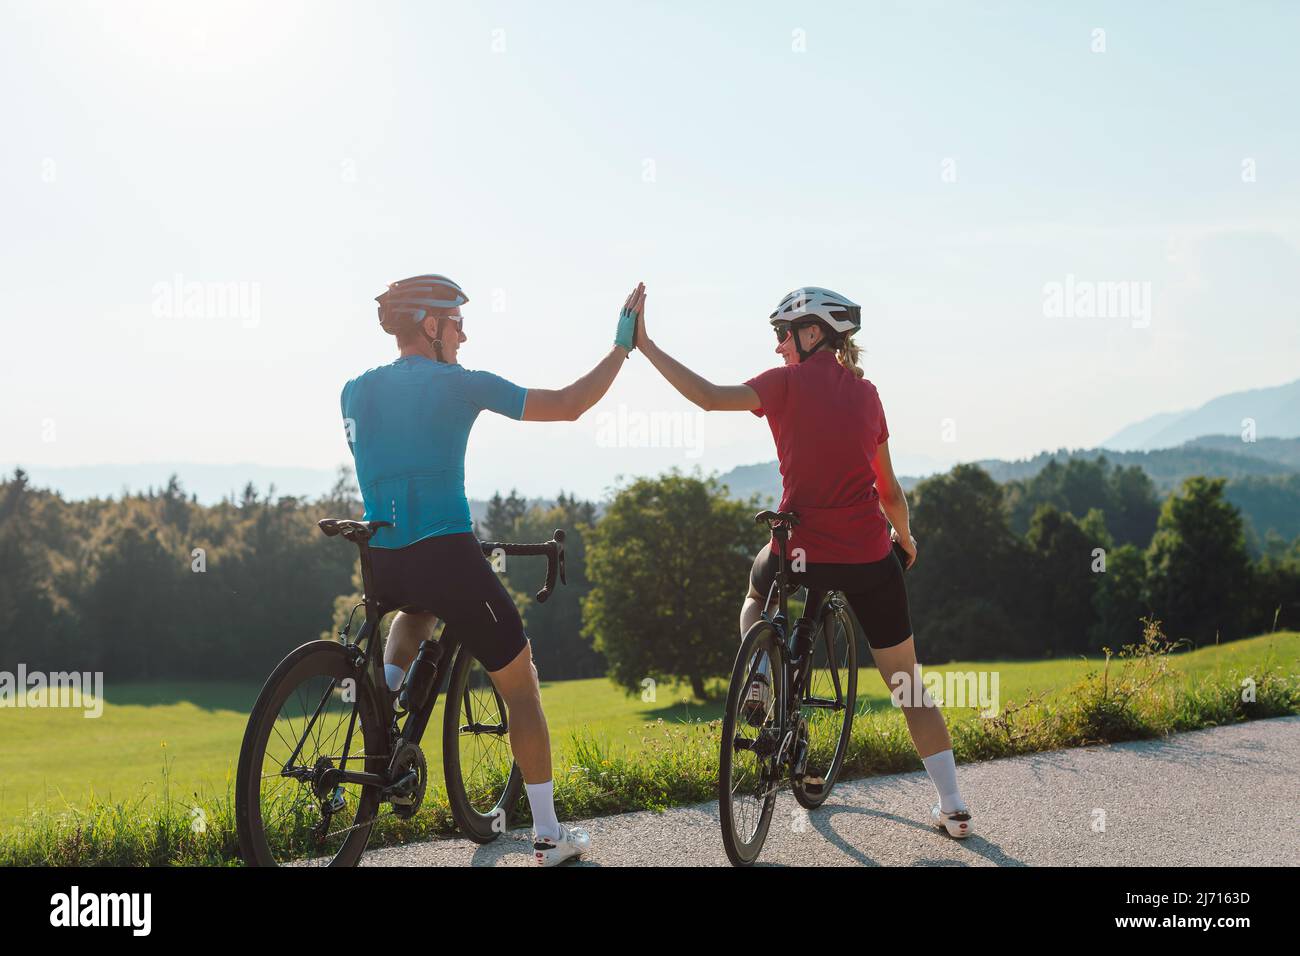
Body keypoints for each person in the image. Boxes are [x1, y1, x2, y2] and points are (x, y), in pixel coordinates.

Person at [634, 286, 973, 839]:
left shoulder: (784, 385)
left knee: (753, 593)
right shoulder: (867, 395)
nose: (777, 348)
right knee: (908, 685)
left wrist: (646, 345)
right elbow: (889, 492)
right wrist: (904, 538)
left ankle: (762, 672)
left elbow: (706, 396)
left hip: (798, 553)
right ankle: (954, 805)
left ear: (811, 334)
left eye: (781, 336)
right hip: (867, 556)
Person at [341, 274, 644, 865]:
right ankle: (551, 836)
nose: (464, 334)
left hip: (382, 556)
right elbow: (569, 405)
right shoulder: (460, 384)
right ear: (430, 325)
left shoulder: (353, 390)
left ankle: (385, 710)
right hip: (448, 554)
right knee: (521, 686)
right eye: (456, 322)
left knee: (413, 610)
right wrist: (620, 349)